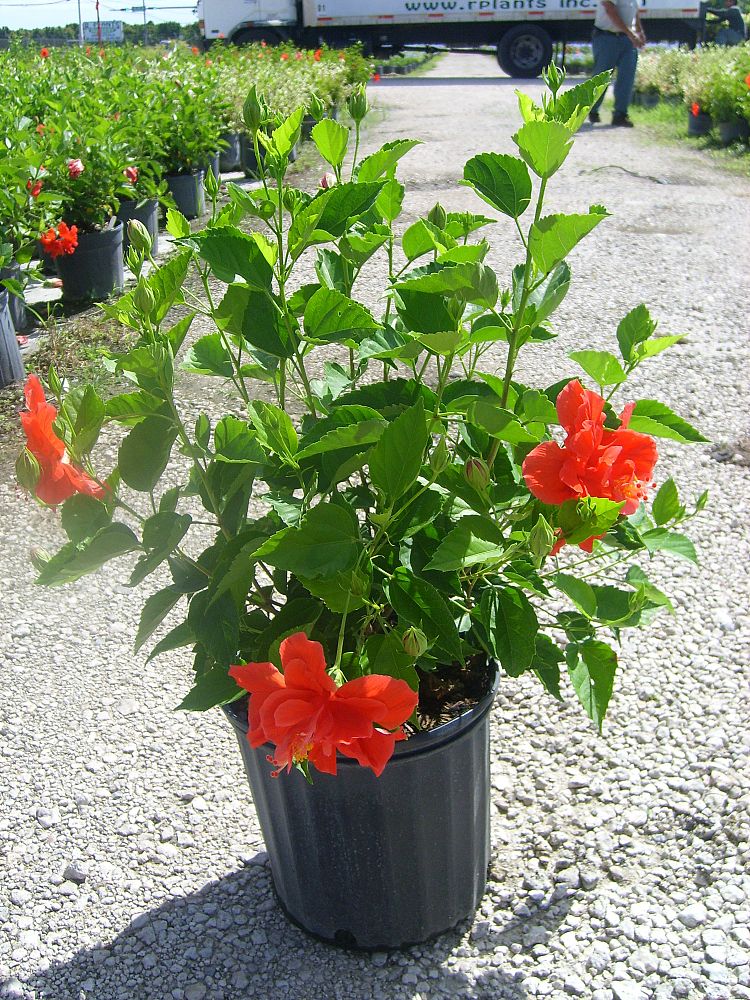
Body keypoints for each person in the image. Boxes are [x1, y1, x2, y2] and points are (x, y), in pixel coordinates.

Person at [588, 0, 646, 128]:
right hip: (607, 37)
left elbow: (634, 10)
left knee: (627, 76)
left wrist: (639, 31)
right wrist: (631, 34)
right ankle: (592, 110)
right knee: (601, 77)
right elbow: (610, 10)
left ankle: (620, 114)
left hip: (626, 39)